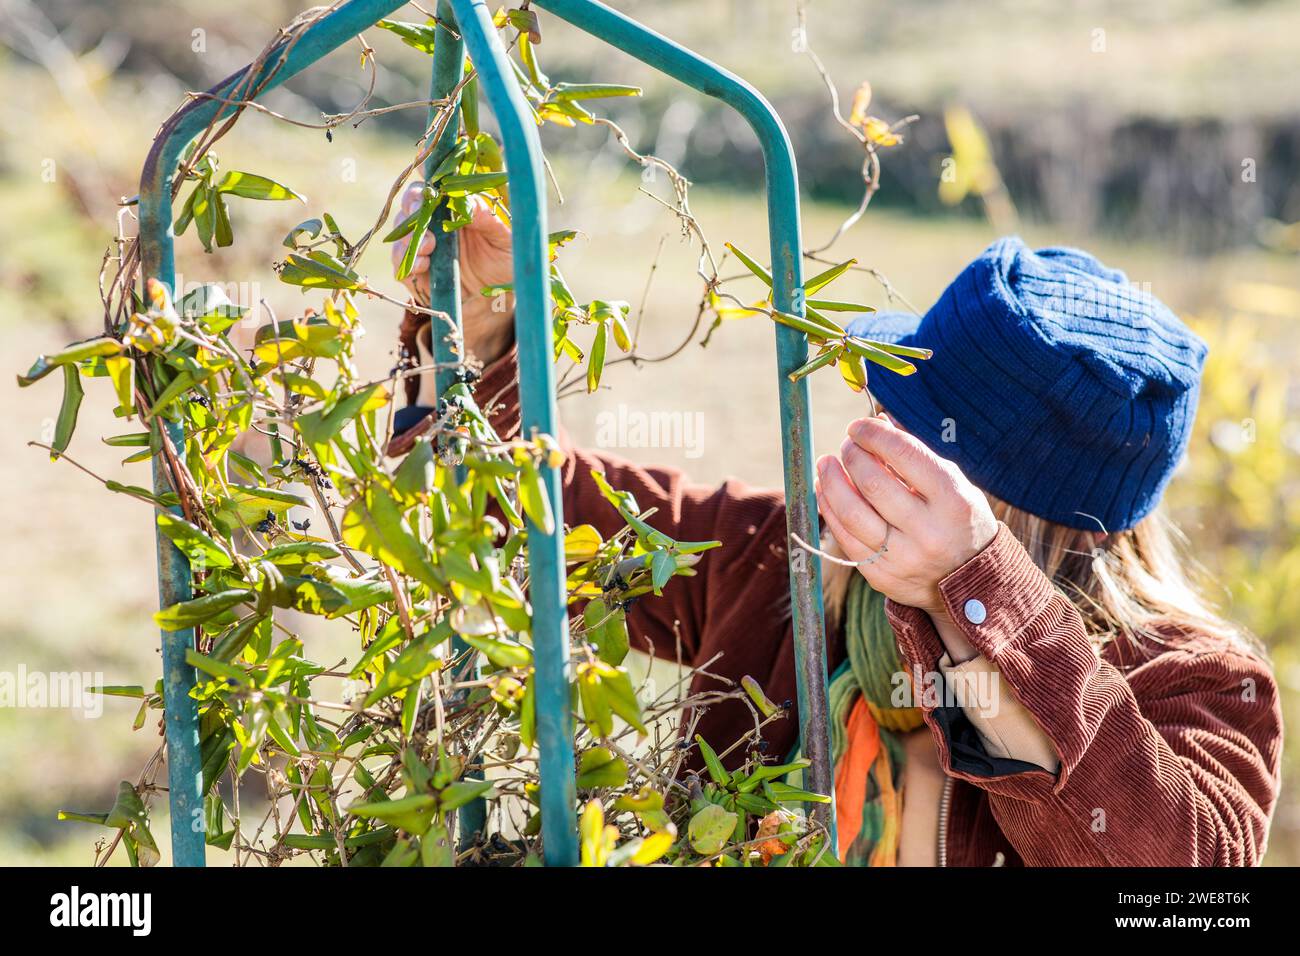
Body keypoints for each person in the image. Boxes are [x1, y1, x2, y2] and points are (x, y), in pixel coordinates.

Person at [386, 186, 1282, 867]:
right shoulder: (785, 559)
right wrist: (475, 319)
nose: (868, 426)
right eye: (885, 396)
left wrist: (979, 592)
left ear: (997, 503)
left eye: (913, 428)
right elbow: (507, 520)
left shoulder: (1194, 683)